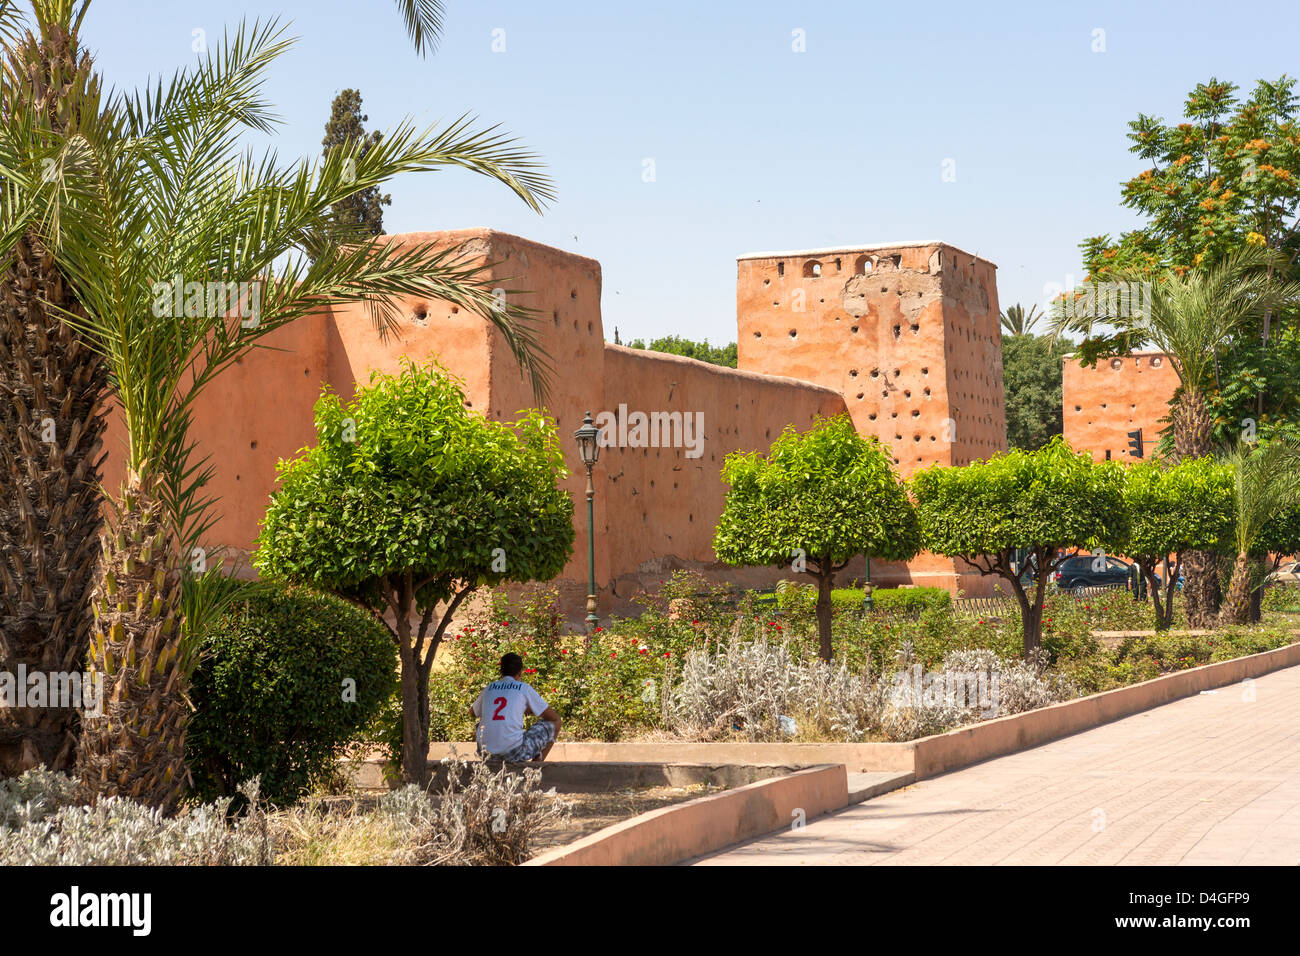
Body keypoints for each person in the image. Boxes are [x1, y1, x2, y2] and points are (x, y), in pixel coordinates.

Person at [470, 652, 561, 762]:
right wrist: (529, 710)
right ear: (520, 672)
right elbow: (552, 717)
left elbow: (472, 712)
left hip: (485, 753)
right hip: (514, 753)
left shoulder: (489, 688)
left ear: (500, 672)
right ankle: (535, 768)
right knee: (556, 722)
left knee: (481, 724)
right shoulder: (523, 688)